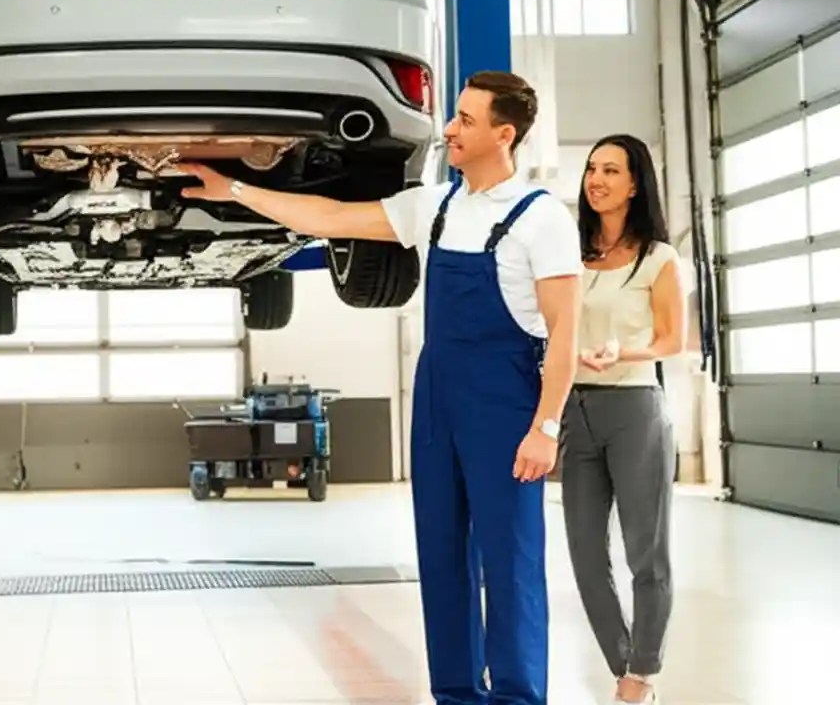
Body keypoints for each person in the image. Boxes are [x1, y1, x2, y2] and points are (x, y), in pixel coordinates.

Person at [177, 70, 582, 705]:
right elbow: (329, 216)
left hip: (504, 401)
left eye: (466, 121)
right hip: (437, 395)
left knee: (511, 563)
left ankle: (517, 696)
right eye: (454, 115)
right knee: (442, 555)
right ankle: (455, 693)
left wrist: (546, 426)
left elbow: (565, 335)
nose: (449, 128)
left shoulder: (542, 218)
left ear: (505, 135)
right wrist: (230, 187)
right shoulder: (435, 206)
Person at [560, 133, 684, 705]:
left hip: (635, 407)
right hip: (574, 410)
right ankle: (621, 664)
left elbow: (671, 340)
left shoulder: (659, 257)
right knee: (585, 554)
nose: (597, 179)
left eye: (611, 170)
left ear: (635, 184)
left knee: (645, 554)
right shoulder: (570, 252)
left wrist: (620, 352)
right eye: (591, 169)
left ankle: (642, 677)